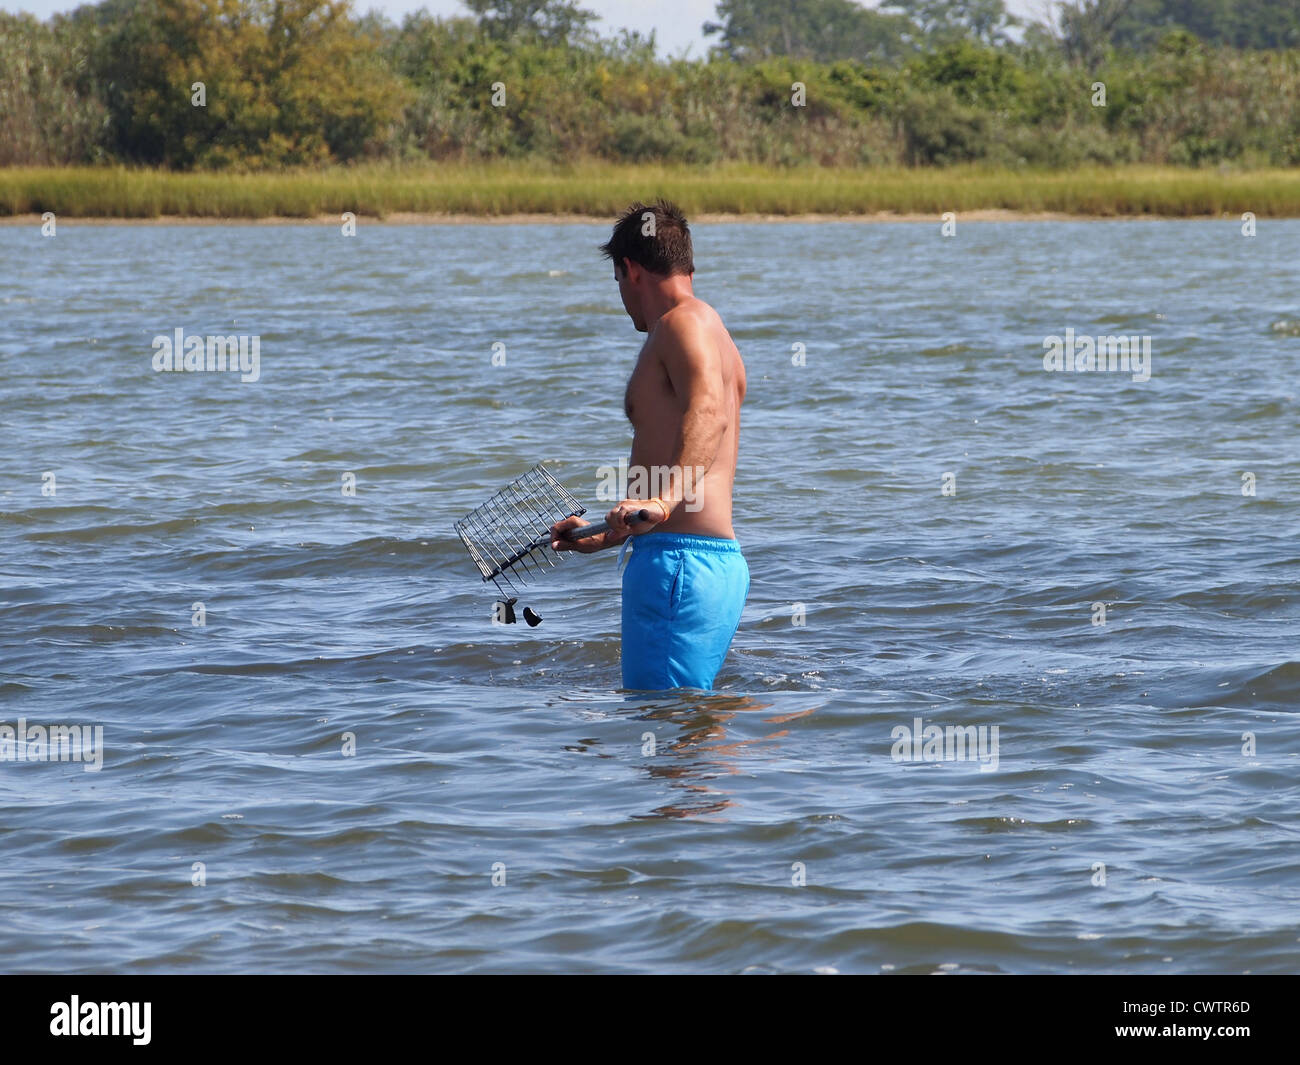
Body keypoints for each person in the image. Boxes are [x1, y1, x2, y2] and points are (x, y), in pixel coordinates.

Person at [550, 199, 748, 691]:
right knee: (693, 738)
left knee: (665, 740)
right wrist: (613, 532)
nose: (620, 293)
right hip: (702, 561)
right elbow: (681, 444)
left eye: (617, 280)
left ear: (630, 270)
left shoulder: (685, 324)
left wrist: (661, 501)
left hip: (679, 565)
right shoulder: (709, 329)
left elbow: (708, 415)